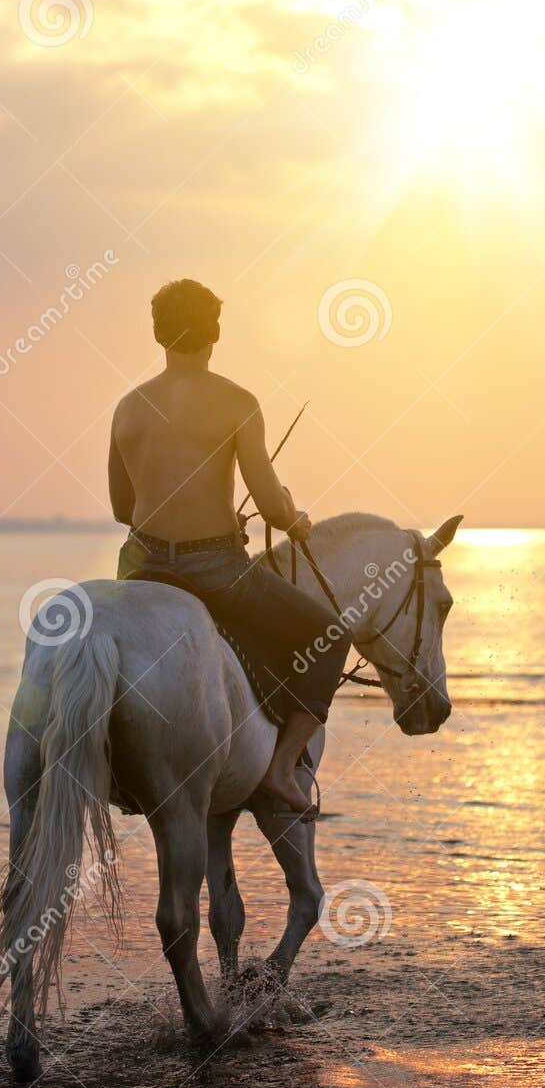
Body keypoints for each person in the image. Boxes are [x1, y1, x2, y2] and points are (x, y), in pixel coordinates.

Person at [108, 278, 351, 816]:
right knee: (330, 635)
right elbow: (270, 508)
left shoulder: (128, 407)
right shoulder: (238, 402)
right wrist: (296, 518)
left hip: (144, 567)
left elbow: (122, 509)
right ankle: (282, 768)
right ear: (215, 332)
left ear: (158, 333)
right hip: (215, 567)